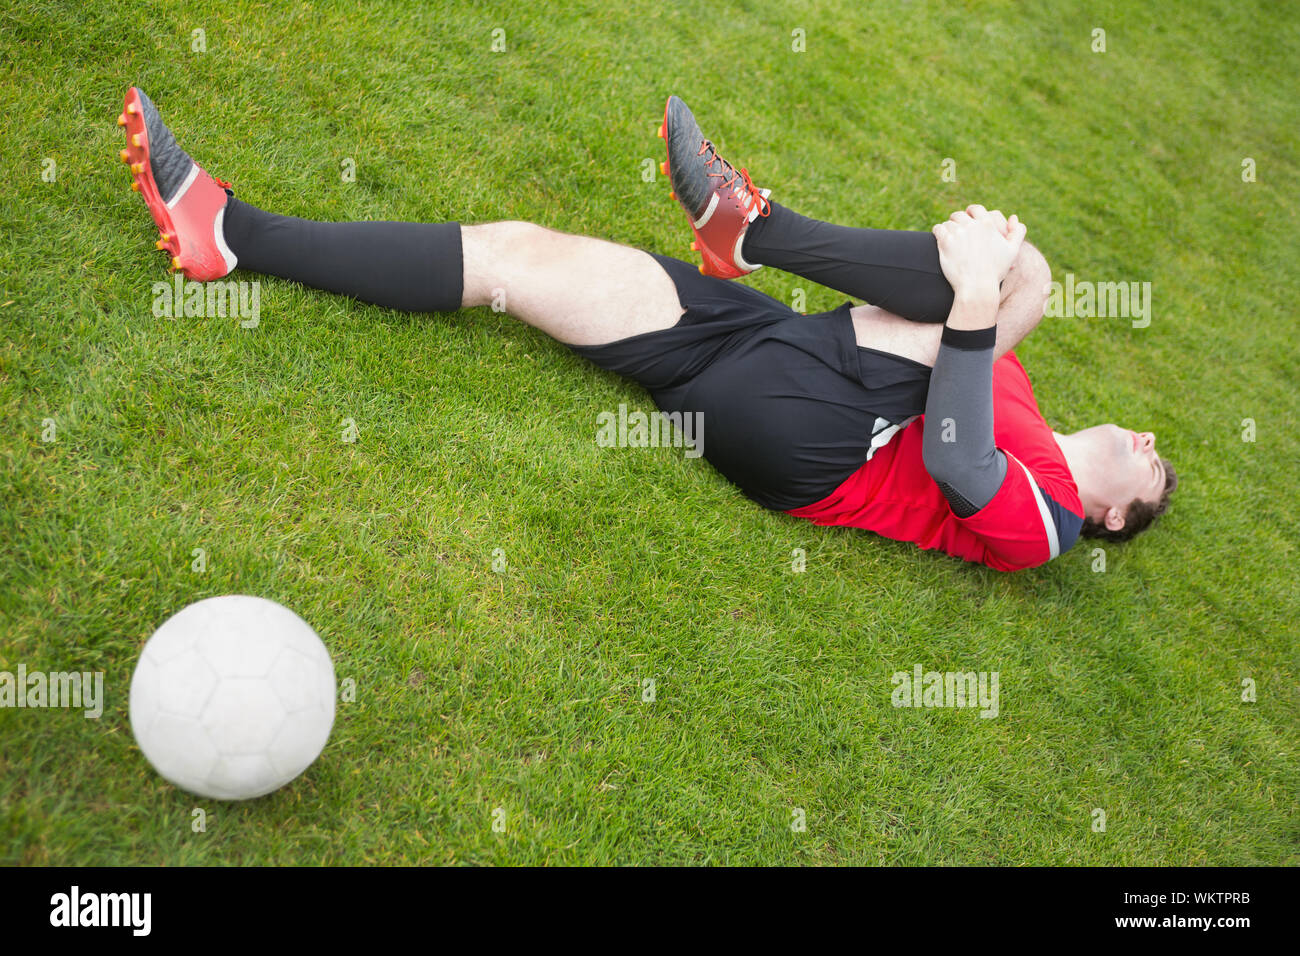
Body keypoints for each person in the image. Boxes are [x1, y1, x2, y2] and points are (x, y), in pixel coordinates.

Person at [115, 88, 1176, 571]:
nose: (1148, 445)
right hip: (777, 343)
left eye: (1154, 472)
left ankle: (760, 232)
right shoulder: (1020, 384)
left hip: (803, 436)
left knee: (1014, 279)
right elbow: (962, 344)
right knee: (518, 255)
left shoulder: (1050, 527)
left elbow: (952, 453)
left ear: (1116, 519)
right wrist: (980, 295)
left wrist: (980, 293)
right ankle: (231, 234)